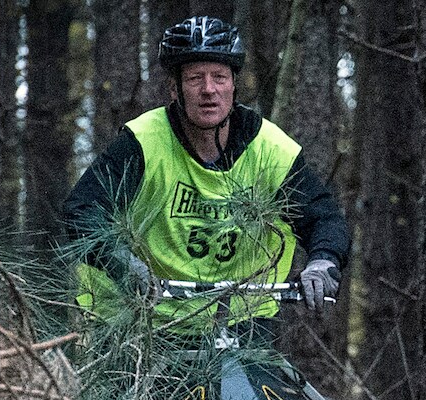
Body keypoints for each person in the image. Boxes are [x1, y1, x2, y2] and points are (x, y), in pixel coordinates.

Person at [64, 16, 349, 334]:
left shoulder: (270, 149)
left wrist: (323, 261)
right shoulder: (144, 141)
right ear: (175, 89)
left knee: (267, 386)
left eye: (220, 77)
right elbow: (83, 211)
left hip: (239, 322)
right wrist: (121, 263)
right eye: (195, 78)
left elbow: (324, 217)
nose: (209, 90)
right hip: (141, 322)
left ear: (234, 86)